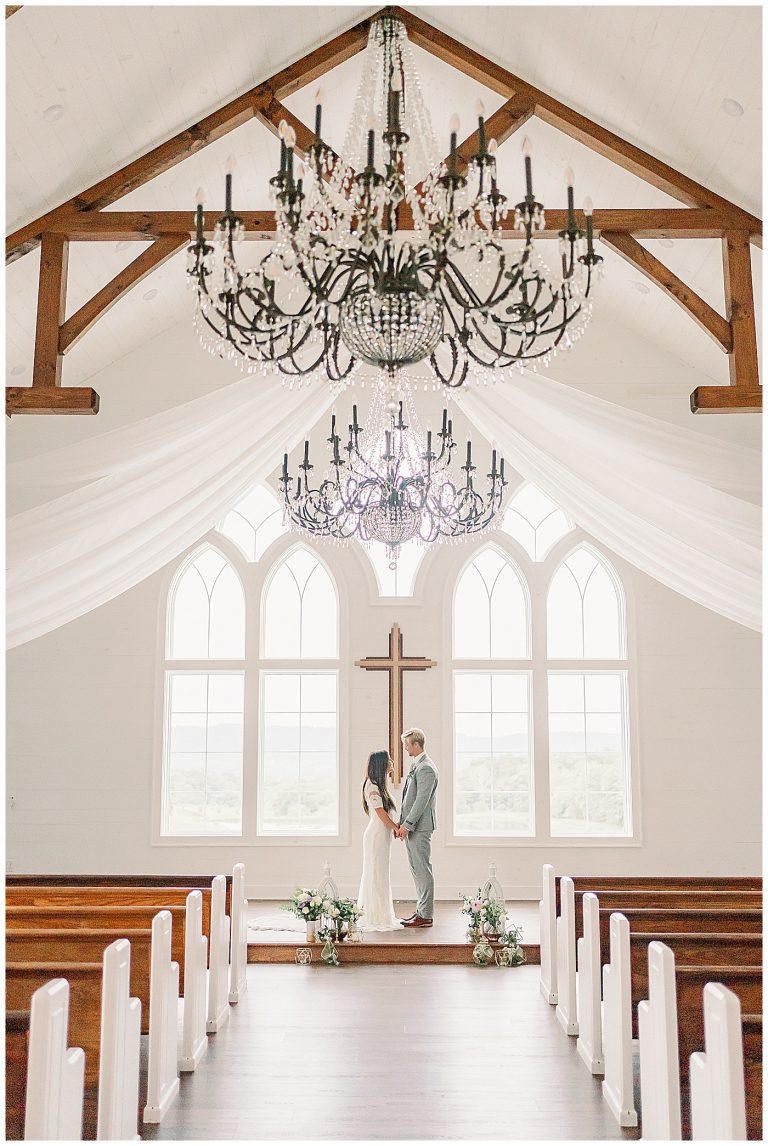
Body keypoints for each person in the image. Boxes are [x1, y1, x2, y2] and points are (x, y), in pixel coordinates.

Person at [356, 750, 403, 931]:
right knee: (376, 875)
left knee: (380, 874)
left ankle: (381, 913)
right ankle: (375, 916)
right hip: (376, 836)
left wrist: (394, 825)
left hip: (381, 836)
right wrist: (396, 828)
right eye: (389, 760)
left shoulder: (378, 785)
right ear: (381, 764)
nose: (392, 762)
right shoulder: (372, 787)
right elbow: (381, 814)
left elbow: (386, 816)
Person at [396, 728, 438, 928]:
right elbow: (408, 799)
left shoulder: (426, 768)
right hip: (413, 827)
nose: (404, 748)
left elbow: (421, 801)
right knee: (416, 870)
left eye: (406, 744)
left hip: (420, 827)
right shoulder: (418, 765)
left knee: (422, 870)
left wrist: (408, 825)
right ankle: (421, 911)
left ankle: (426, 915)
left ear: (416, 744)